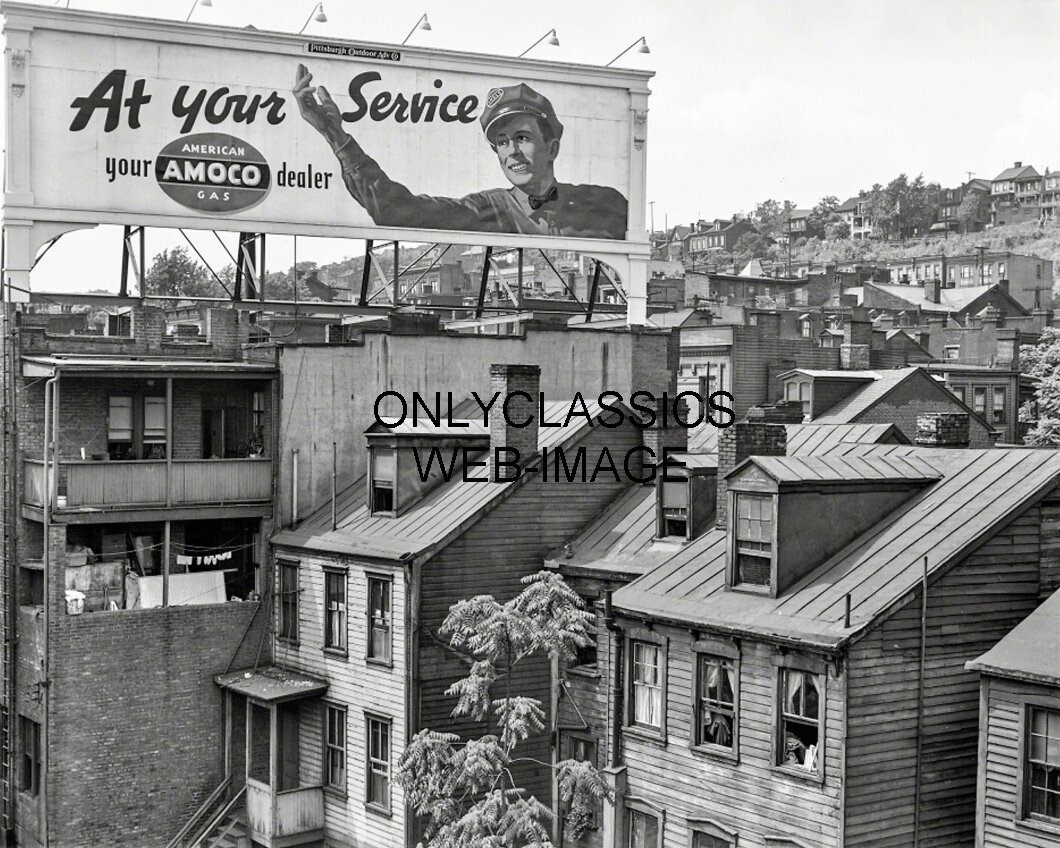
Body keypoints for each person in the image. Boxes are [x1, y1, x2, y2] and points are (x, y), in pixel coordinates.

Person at [293, 64, 628, 240]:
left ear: (551, 147)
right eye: (502, 141)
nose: (512, 152)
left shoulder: (605, 204)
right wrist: (334, 133)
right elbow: (396, 210)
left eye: (522, 138)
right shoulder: (490, 210)